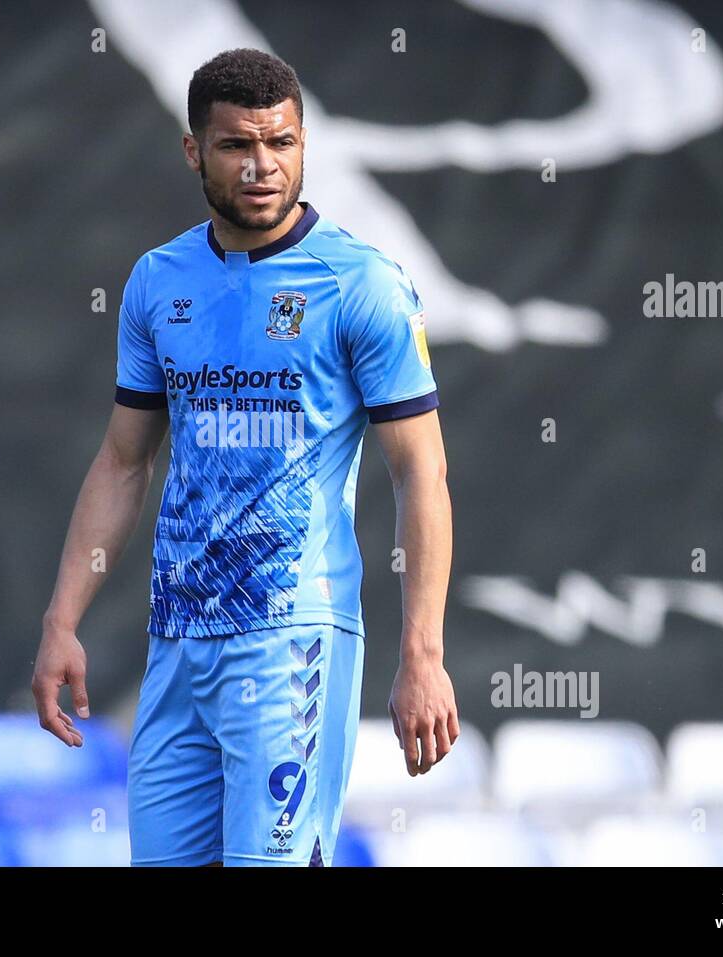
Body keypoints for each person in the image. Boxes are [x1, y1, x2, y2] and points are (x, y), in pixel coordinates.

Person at [34, 48, 457, 867]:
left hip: (293, 634)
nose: (263, 166)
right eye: (237, 146)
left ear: (303, 145)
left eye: (283, 143)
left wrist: (423, 654)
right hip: (178, 640)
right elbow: (124, 461)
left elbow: (422, 472)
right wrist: (62, 620)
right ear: (194, 150)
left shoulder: (361, 283)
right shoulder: (160, 282)